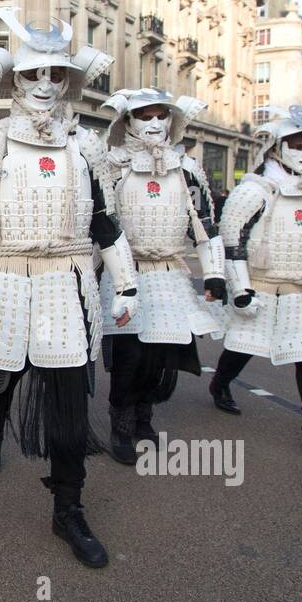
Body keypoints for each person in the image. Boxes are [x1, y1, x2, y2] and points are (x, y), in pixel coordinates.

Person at [0, 8, 138, 568]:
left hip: (69, 283)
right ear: (15, 81)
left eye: (56, 74)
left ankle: (68, 508)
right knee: (1, 377)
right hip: (5, 277)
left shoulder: (89, 146)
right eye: (33, 75)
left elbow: (106, 221)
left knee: (69, 401)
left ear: (69, 81)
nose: (45, 85)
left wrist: (124, 283)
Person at [210, 105, 302, 463]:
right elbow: (233, 242)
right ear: (278, 146)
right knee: (243, 346)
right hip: (263, 285)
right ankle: (220, 382)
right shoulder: (255, 189)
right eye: (296, 143)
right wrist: (241, 290)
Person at [98, 88, 225, 461]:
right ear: (128, 121)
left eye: (160, 116)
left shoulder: (187, 169)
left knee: (158, 356)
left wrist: (215, 272)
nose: (153, 123)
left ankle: (143, 417)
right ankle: (120, 424)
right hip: (125, 273)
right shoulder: (111, 166)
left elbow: (204, 225)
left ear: (171, 120)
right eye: (144, 116)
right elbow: (97, 221)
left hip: (169, 273)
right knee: (129, 357)